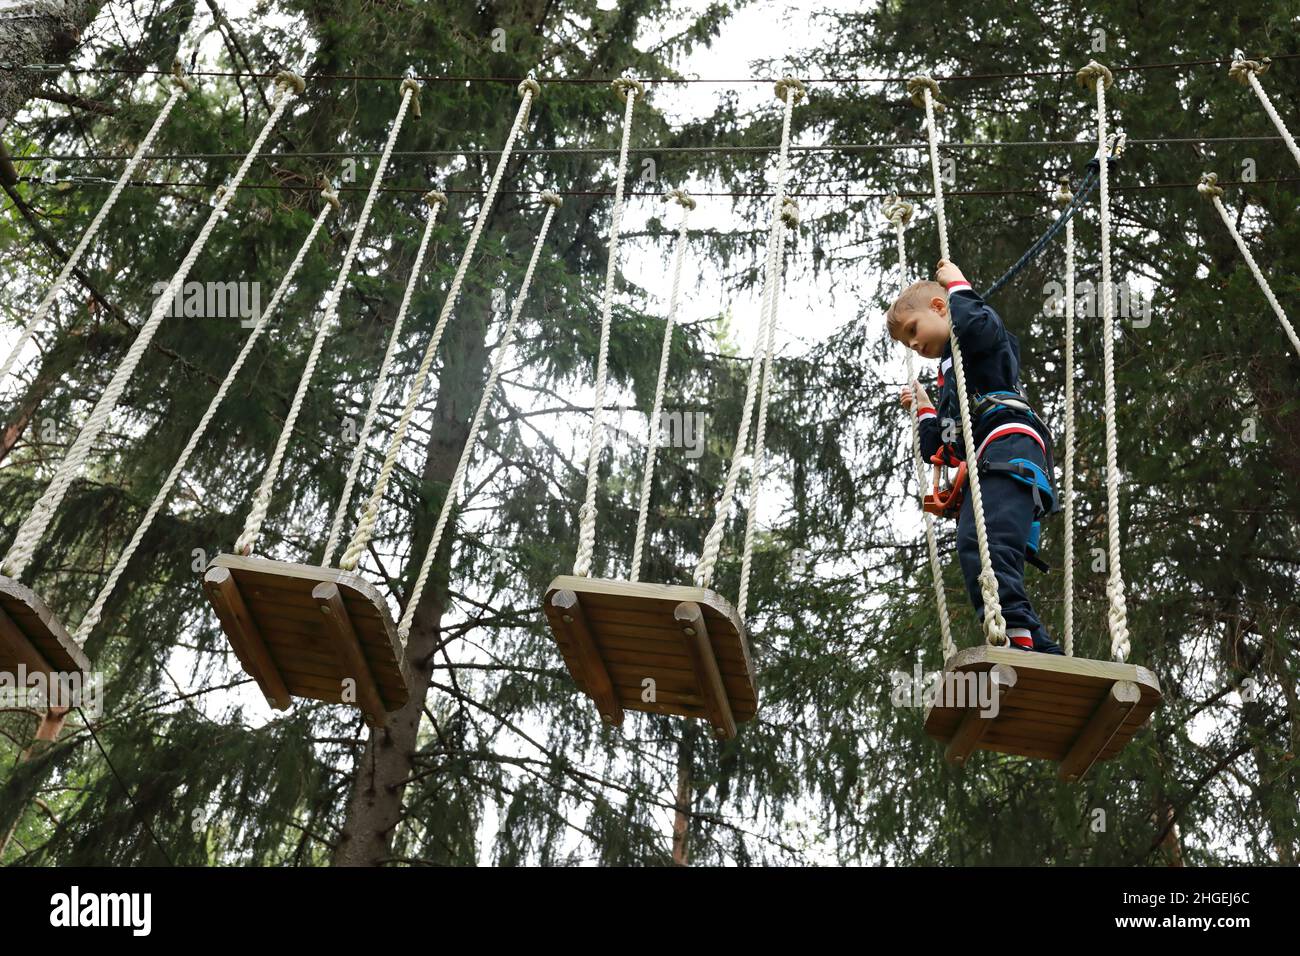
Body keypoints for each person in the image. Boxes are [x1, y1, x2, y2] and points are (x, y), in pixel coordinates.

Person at [887, 258, 1064, 655]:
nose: (913, 345)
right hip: (989, 457)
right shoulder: (952, 377)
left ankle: (1015, 634)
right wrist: (926, 410)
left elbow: (976, 325)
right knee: (980, 547)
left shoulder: (980, 338)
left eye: (913, 330)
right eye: (906, 343)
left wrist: (958, 286)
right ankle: (1038, 646)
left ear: (939, 307)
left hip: (1010, 446)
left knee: (983, 544)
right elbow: (940, 448)